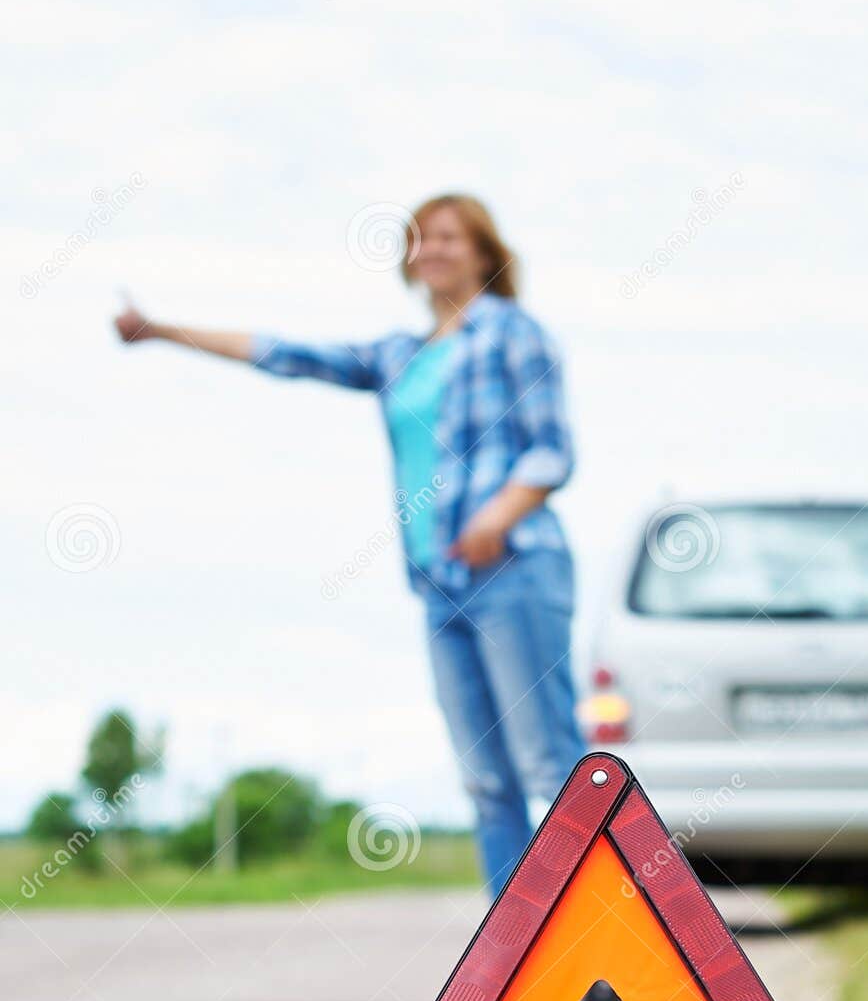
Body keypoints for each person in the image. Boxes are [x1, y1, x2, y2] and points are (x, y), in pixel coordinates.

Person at [113, 194, 587, 905]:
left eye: (450, 237)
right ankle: (520, 968)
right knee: (487, 784)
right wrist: (163, 331)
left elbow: (551, 453)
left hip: (514, 568)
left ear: (485, 253)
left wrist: (497, 516)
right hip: (438, 584)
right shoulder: (400, 356)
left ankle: (606, 950)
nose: (432, 248)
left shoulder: (512, 333)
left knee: (550, 768)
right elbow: (288, 356)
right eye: (420, 238)